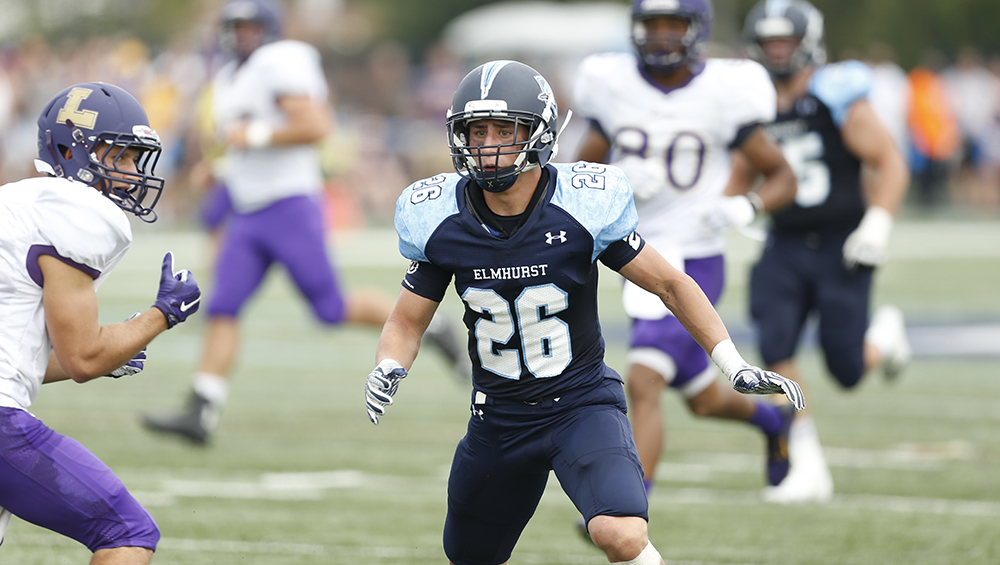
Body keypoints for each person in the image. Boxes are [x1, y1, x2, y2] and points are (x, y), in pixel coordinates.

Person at [363, 59, 805, 565]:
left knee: (620, 534)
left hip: (580, 404)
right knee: (469, 556)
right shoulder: (438, 216)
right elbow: (405, 321)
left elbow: (670, 284)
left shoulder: (581, 205)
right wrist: (389, 364)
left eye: (505, 129)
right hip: (497, 418)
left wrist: (733, 364)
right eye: (476, 130)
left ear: (540, 133)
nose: (488, 144)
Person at [142, 0, 463, 445]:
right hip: (249, 211)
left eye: (251, 26)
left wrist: (250, 136)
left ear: (271, 29)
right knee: (223, 306)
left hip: (289, 207)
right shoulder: (230, 77)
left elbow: (315, 125)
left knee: (330, 309)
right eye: (236, 26)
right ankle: (202, 408)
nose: (242, 35)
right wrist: (221, 166)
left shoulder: (280, 61)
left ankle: (436, 327)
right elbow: (242, 138)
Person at [572, 0, 799, 505]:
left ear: (696, 29)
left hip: (695, 258)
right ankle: (771, 420)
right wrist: (618, 179)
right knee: (700, 398)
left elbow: (783, 173)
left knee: (644, 376)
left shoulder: (723, 91)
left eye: (673, 24)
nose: (661, 36)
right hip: (634, 256)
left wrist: (747, 205)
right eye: (652, 25)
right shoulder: (613, 85)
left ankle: (629, 504)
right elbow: (572, 177)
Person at [0, 82, 201, 564]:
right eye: (123, 157)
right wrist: (162, 315)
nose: (133, 174)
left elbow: (20, 358)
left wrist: (119, 346)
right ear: (73, 150)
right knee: (126, 531)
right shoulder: (74, 212)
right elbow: (84, 357)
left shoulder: (14, 202)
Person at [736, 0, 911, 503]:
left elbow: (890, 162)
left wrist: (877, 223)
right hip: (784, 243)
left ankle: (887, 337)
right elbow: (739, 174)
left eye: (784, 42)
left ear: (807, 43)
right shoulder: (753, 103)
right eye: (768, 43)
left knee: (847, 369)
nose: (776, 52)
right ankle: (806, 465)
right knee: (775, 347)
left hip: (841, 244)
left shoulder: (835, 94)